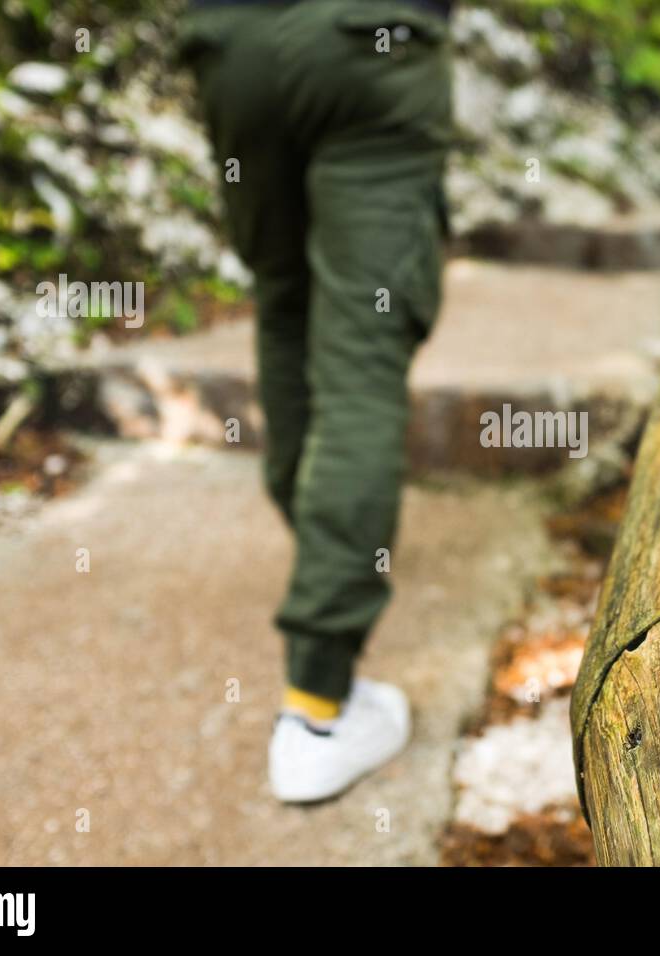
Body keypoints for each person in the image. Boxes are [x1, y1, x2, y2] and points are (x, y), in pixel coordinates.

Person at [176, 0, 453, 802]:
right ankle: (318, 710)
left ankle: (326, 576)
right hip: (371, 38)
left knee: (285, 304)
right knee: (360, 361)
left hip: (234, 43)